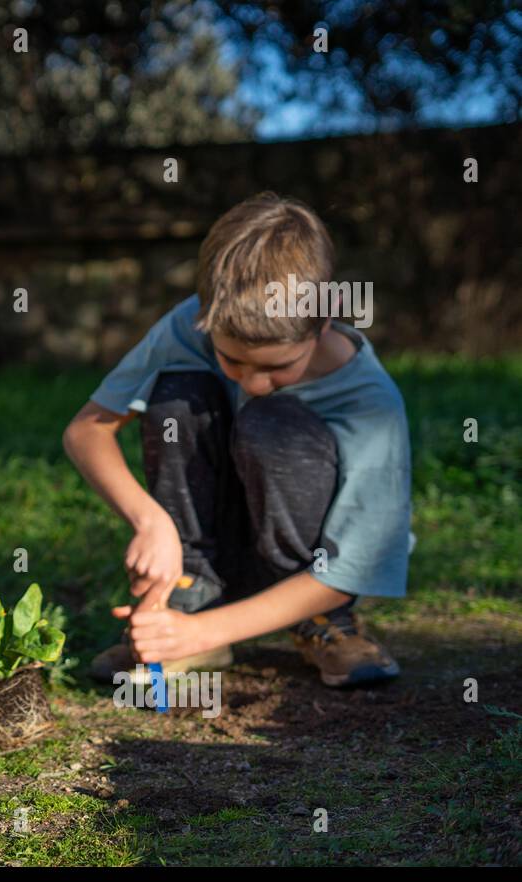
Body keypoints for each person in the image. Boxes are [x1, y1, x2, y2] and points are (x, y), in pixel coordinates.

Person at [63, 192, 410, 689]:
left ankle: (316, 624)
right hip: (214, 542)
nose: (251, 383)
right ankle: (192, 589)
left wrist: (197, 633)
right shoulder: (189, 325)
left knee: (270, 420)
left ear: (324, 320)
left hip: (307, 576)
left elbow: (349, 570)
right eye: (232, 360)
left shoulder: (369, 401)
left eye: (276, 366)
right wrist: (150, 521)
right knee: (175, 393)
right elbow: (85, 431)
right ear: (206, 316)